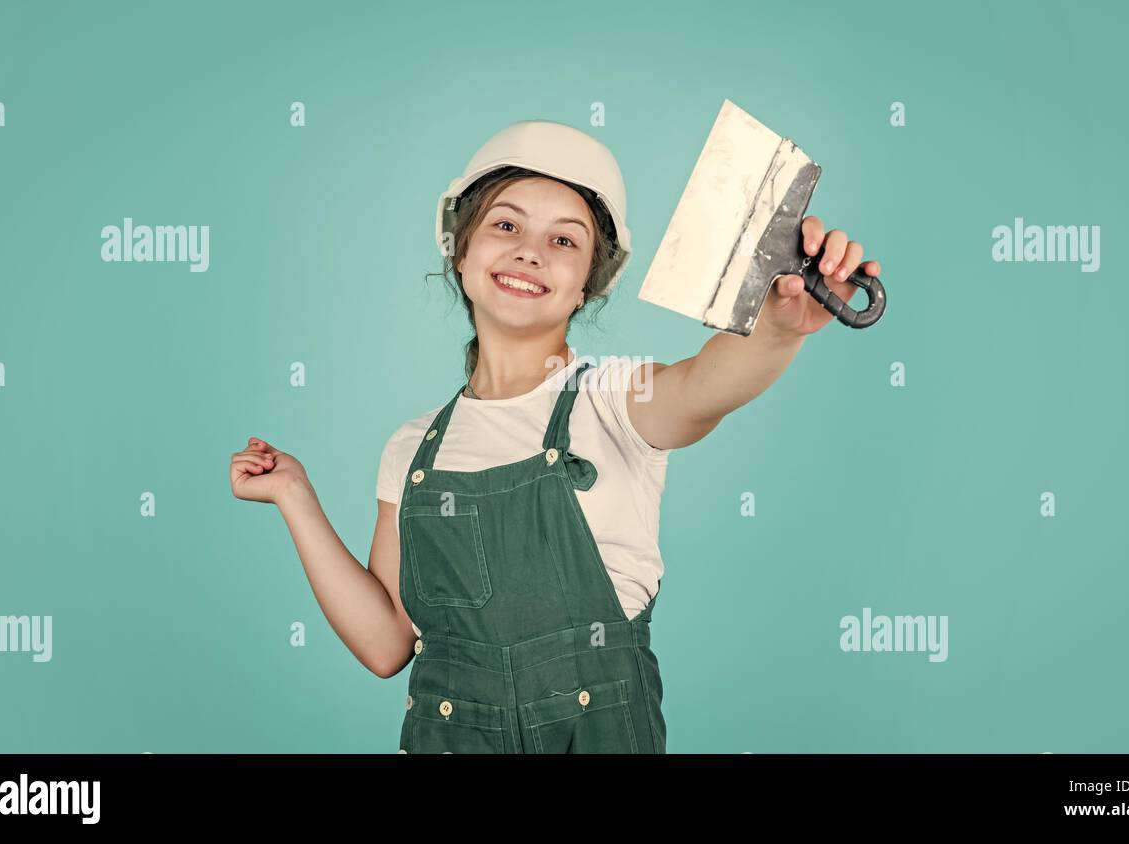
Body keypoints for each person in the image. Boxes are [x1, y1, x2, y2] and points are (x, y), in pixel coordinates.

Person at [230, 119, 881, 753]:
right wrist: (295, 495)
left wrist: (777, 328)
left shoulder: (619, 401)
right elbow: (386, 643)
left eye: (564, 241)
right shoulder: (413, 446)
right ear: (460, 253)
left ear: (587, 285)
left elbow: (711, 383)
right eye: (505, 224)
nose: (530, 251)